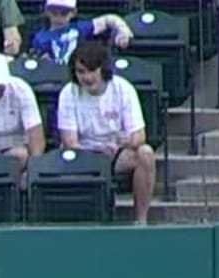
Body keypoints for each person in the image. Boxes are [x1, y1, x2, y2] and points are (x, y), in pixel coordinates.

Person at [56, 41, 155, 224]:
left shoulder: (123, 89)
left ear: (103, 69)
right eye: (81, 72)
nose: (87, 77)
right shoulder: (68, 93)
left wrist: (127, 142)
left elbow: (139, 135)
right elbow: (70, 142)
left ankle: (141, 221)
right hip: (82, 154)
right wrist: (95, 155)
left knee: (145, 153)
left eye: (92, 71)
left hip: (115, 152)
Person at [29, 0, 130, 65]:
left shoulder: (80, 28)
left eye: (64, 13)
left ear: (73, 13)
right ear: (47, 12)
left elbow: (109, 19)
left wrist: (123, 31)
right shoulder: (40, 37)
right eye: (54, 13)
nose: (58, 18)